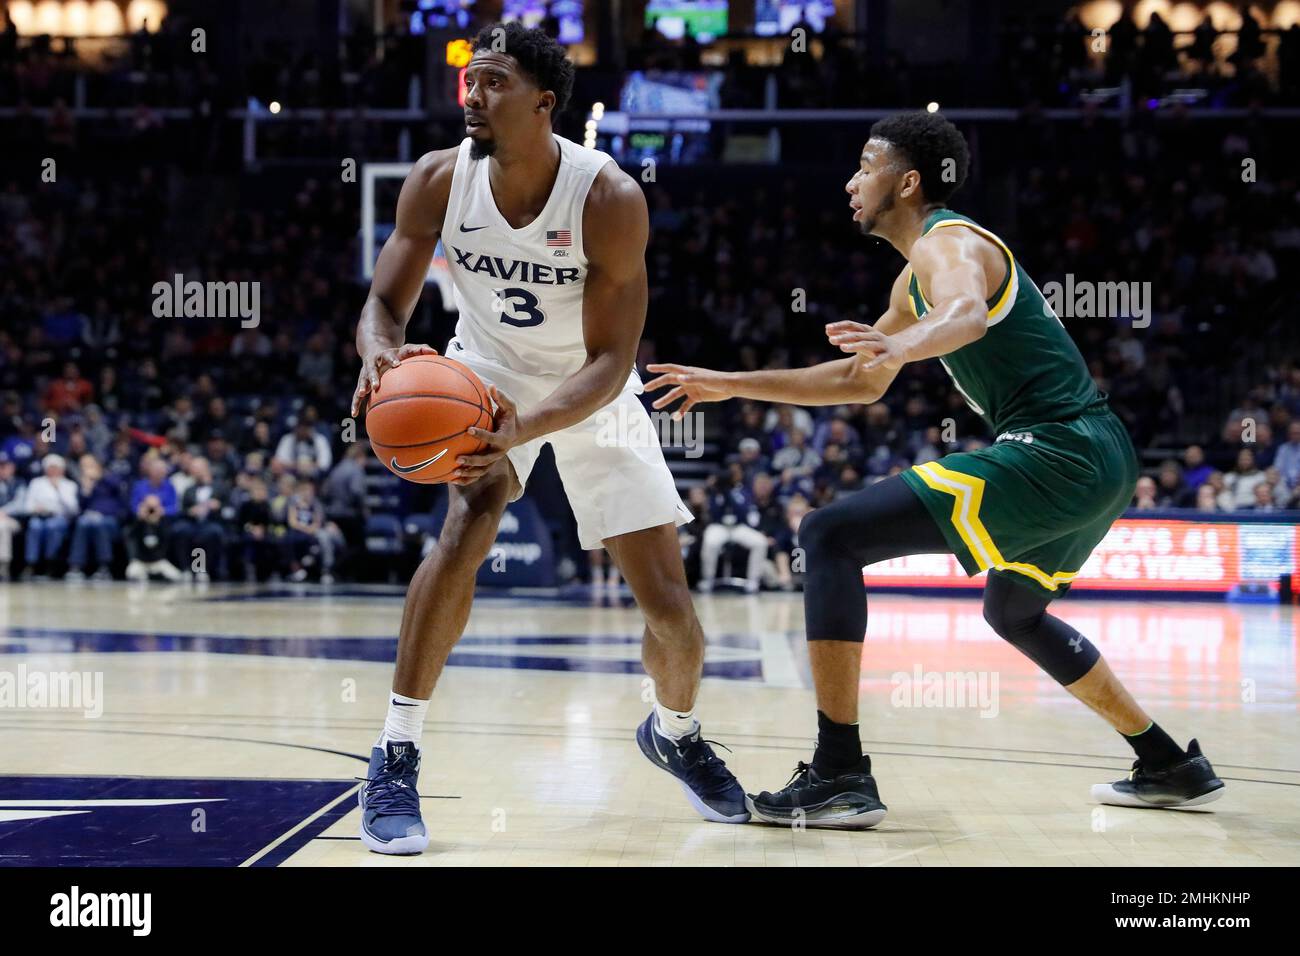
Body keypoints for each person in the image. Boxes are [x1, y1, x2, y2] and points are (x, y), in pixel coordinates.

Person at [646, 111, 1223, 827]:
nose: (852, 180)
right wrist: (734, 381)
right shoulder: (911, 281)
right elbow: (857, 381)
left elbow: (965, 317)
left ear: (908, 181)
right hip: (1095, 455)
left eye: (865, 165)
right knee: (1015, 611)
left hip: (1061, 447)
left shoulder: (948, 243)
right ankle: (1168, 761)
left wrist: (907, 345)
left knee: (828, 534)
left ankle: (839, 772)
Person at [348, 23, 746, 854]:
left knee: (671, 612)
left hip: (586, 391)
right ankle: (394, 751)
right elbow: (384, 305)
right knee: (465, 530)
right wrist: (381, 352)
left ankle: (674, 731)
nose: (474, 95)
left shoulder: (606, 197)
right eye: (470, 80)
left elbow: (610, 361)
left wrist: (523, 426)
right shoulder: (435, 180)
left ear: (543, 102)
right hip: (483, 372)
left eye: (493, 82)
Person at [22, 453, 79, 580]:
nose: (52, 470)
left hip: (59, 518)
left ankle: (50, 564)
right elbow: (27, 506)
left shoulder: (69, 485)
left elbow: (73, 509)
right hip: (39, 517)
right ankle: (32, 564)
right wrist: (36, 509)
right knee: (34, 526)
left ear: (62, 469)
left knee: (52, 527)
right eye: (50, 467)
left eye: (56, 467)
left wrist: (58, 489)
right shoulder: (36, 483)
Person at [67, 453, 124, 580]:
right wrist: (86, 490)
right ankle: (76, 566)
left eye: (89, 465)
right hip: (89, 518)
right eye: (84, 466)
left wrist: (100, 477)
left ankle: (104, 567)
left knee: (98, 523)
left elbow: (118, 488)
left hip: (110, 519)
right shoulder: (84, 482)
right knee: (82, 522)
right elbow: (80, 507)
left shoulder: (110, 477)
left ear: (97, 465)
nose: (87, 468)